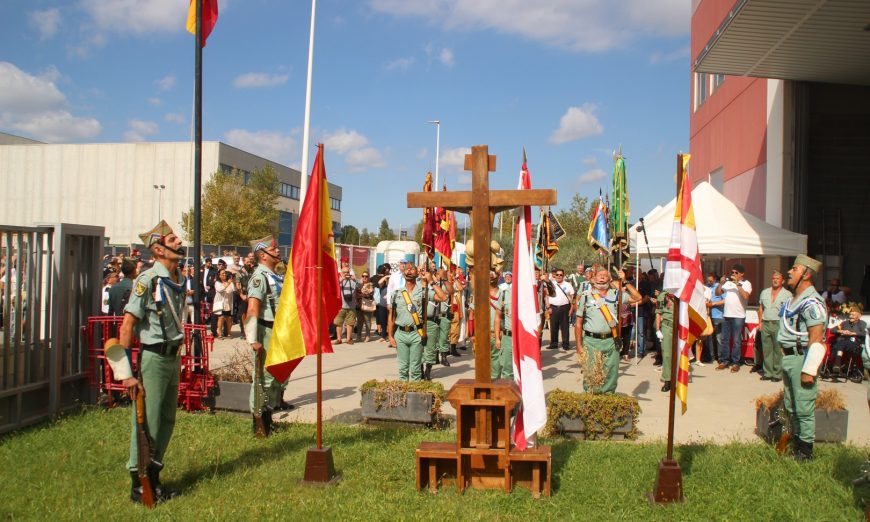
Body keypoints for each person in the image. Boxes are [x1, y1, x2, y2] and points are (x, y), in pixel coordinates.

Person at [109, 219, 186, 503]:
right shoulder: (147, 280)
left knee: (166, 419)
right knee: (146, 421)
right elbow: (127, 325)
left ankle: (154, 476)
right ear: (158, 249)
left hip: (172, 357)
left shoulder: (177, 278)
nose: (179, 243)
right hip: (153, 358)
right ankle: (138, 482)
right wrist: (125, 373)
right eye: (173, 240)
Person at [777, 255, 827, 461]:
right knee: (791, 405)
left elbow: (816, 336)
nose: (789, 272)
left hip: (801, 359)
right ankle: (796, 445)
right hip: (789, 358)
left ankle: (805, 452)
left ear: (806, 274)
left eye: (794, 269)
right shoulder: (792, 300)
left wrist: (810, 368)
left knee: (803, 406)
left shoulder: (812, 301)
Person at [244, 235, 293, 433]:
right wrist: (252, 339)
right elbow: (252, 309)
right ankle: (259, 423)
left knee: (274, 378)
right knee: (262, 379)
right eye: (273, 250)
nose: (278, 251)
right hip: (265, 331)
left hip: (278, 331)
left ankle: (268, 418)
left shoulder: (275, 275)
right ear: (262, 255)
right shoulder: (259, 277)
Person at [575, 267, 641, 393]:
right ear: (593, 279)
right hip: (591, 341)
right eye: (599, 275)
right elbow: (578, 323)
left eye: (605, 276)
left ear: (610, 280)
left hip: (611, 341)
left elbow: (637, 298)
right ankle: (590, 399)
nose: (602, 278)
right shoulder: (586, 296)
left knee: (611, 374)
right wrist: (578, 345)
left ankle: (607, 400)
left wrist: (625, 281)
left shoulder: (617, 295)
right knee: (590, 374)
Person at [389, 263, 444, 381]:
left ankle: (414, 396)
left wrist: (431, 282)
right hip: (401, 334)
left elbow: (443, 297)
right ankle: (403, 396)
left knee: (415, 370)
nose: (409, 270)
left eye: (412, 269)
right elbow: (391, 317)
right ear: (403, 273)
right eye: (407, 269)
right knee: (403, 369)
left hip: (416, 333)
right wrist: (390, 336)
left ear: (417, 272)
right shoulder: (397, 293)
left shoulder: (423, 291)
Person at [715, 263, 752, 372]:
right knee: (724, 339)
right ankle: (724, 361)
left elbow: (746, 296)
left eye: (736, 273)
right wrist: (721, 284)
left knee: (736, 340)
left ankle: (736, 362)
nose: (733, 274)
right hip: (727, 315)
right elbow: (717, 293)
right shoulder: (728, 283)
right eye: (732, 272)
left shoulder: (746, 283)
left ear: (742, 274)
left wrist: (738, 285)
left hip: (738, 316)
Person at [757, 269, 792, 382]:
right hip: (766, 322)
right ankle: (767, 372)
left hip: (779, 323)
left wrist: (786, 326)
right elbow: (761, 308)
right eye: (773, 279)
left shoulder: (787, 294)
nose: (775, 281)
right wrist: (760, 322)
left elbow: (789, 312)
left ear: (783, 281)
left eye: (778, 279)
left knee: (778, 350)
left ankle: (777, 374)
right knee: (767, 349)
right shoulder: (765, 292)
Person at [829, 302, 867, 378]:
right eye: (850, 314)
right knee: (841, 342)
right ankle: (838, 365)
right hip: (842, 343)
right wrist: (841, 331)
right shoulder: (845, 323)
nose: (850, 316)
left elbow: (864, 333)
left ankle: (837, 363)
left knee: (841, 342)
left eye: (853, 315)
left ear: (859, 316)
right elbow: (832, 330)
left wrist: (852, 333)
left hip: (854, 344)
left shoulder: (862, 324)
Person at [493, 270, 514, 380]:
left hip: (522, 338)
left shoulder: (527, 295)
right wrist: (497, 338)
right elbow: (498, 317)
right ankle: (508, 395)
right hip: (508, 338)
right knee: (507, 369)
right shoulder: (505, 293)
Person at [547, 268, 574, 351]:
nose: (559, 276)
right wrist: (548, 307)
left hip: (565, 307)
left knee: (565, 327)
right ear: (554, 276)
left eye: (560, 275)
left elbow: (572, 298)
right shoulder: (551, 284)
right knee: (553, 327)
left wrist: (571, 309)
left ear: (563, 275)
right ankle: (554, 343)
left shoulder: (568, 285)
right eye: (557, 275)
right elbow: (546, 296)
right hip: (553, 307)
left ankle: (565, 344)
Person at [655, 290, 675, 392]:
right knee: (667, 354)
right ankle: (668, 380)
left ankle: (678, 378)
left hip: (680, 327)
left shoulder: (682, 294)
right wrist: (658, 329)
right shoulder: (662, 296)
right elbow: (658, 312)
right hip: (667, 326)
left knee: (679, 354)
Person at [335, 267, 358, 344]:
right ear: (341, 273)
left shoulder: (352, 281)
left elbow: (358, 287)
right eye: (344, 272)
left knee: (350, 323)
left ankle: (348, 339)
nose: (346, 274)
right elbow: (334, 287)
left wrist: (355, 279)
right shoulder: (339, 281)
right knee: (338, 323)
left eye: (347, 272)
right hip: (340, 306)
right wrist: (341, 280)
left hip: (351, 306)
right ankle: (339, 339)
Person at [213, 269, 235, 339]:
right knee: (221, 318)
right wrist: (227, 284)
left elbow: (233, 290)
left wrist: (231, 283)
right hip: (220, 303)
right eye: (222, 274)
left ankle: (229, 333)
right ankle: (219, 333)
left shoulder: (230, 282)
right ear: (219, 275)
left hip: (228, 303)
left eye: (225, 273)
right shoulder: (217, 283)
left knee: (229, 318)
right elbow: (220, 289)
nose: (224, 275)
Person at [355, 272, 375, 342]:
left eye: (366, 276)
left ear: (368, 277)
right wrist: (362, 294)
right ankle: (358, 336)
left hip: (367, 306)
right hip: (359, 306)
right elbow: (356, 294)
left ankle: (368, 336)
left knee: (367, 321)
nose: (364, 278)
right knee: (359, 322)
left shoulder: (371, 285)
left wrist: (361, 294)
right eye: (363, 276)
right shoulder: (358, 285)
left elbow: (369, 295)